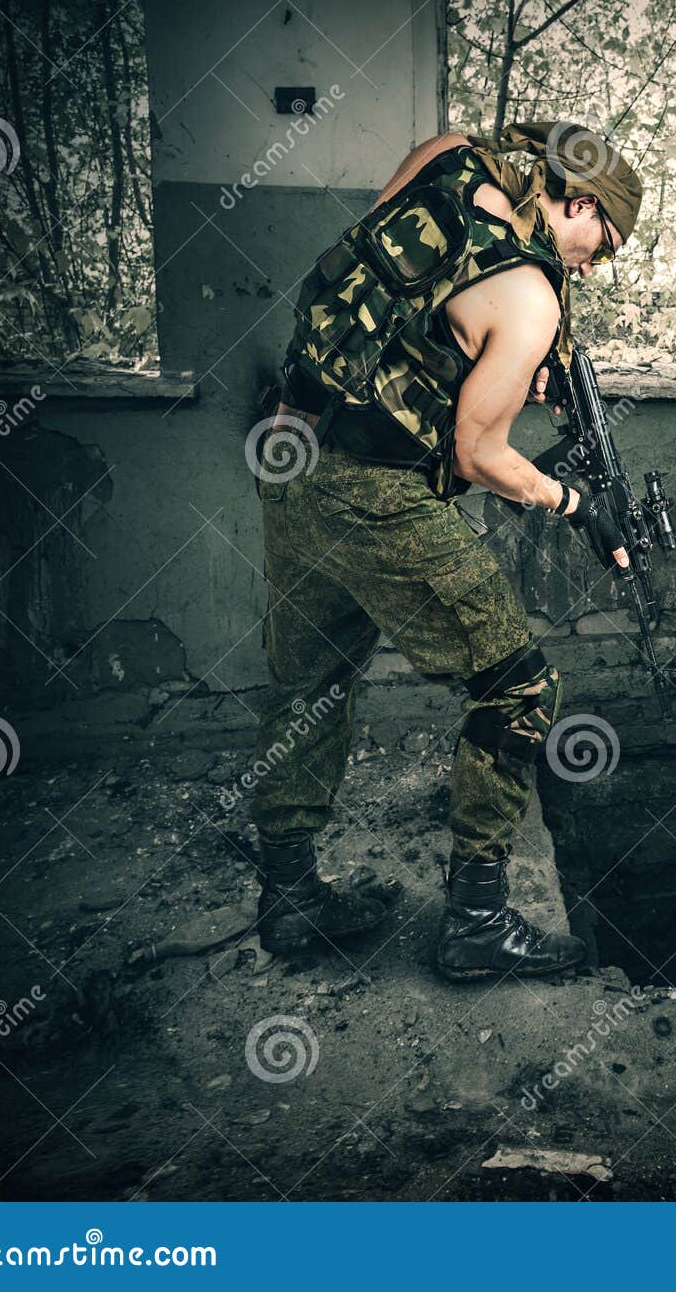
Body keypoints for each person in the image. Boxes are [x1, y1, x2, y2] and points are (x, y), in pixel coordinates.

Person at [246, 122, 643, 982]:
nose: (591, 266)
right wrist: (570, 500)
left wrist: (483, 347)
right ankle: (477, 922)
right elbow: (476, 456)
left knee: (309, 680)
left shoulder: (449, 157)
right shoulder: (533, 298)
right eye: (599, 243)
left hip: (290, 448)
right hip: (372, 489)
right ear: (577, 202)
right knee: (521, 686)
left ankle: (287, 895)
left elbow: (392, 281)